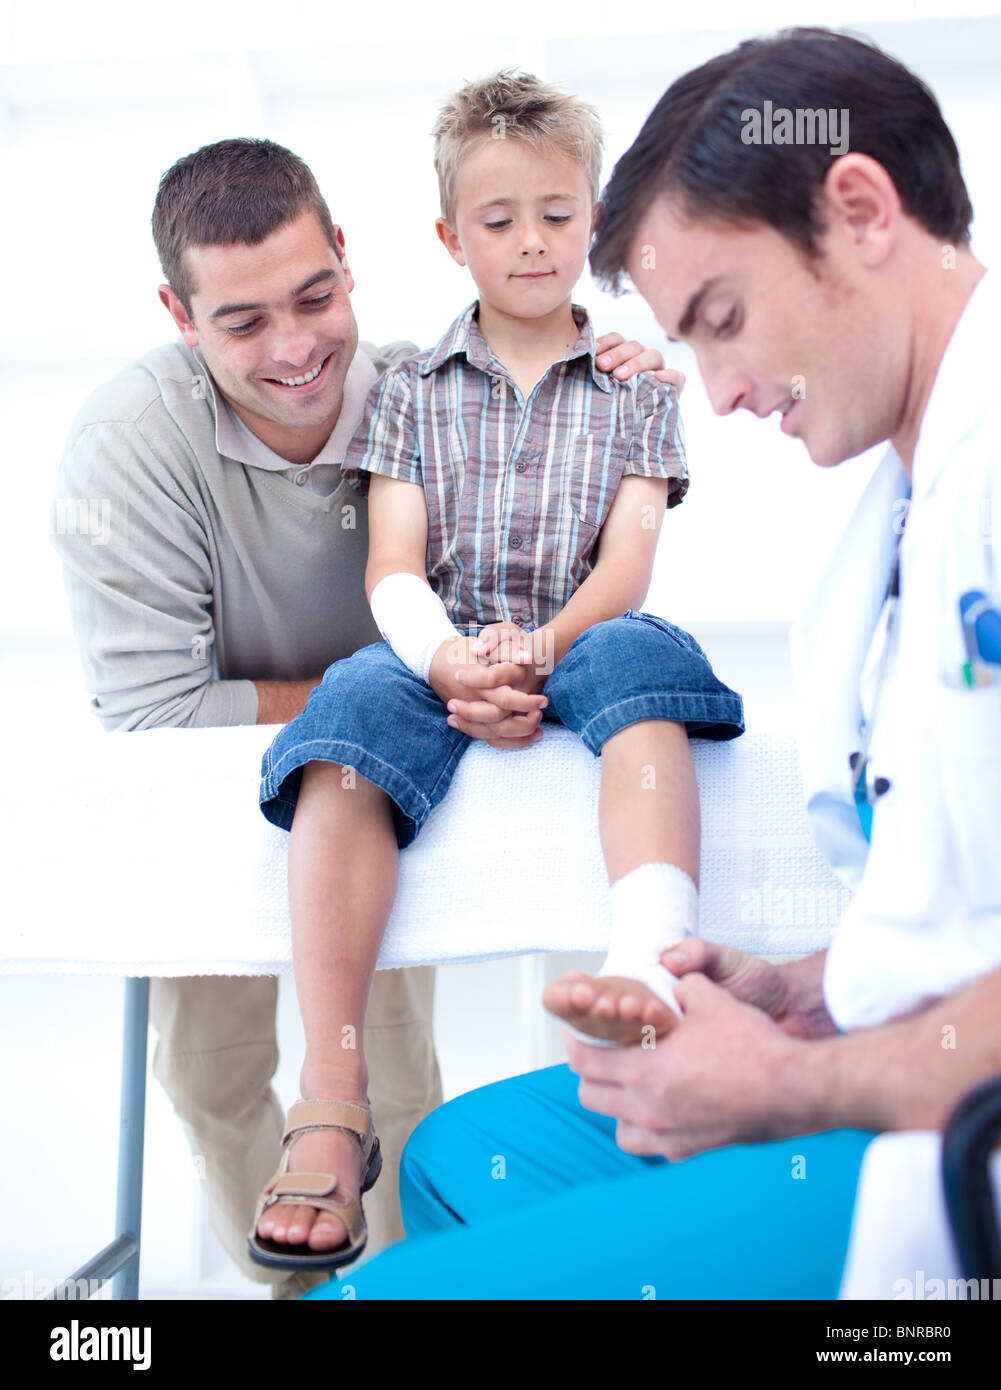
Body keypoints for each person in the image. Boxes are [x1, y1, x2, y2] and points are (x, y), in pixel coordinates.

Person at [301, 26, 1001, 1300]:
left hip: (951, 1153)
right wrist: (806, 992)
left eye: (722, 318)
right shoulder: (887, 513)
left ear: (855, 211)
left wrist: (792, 1082)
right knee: (458, 1158)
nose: (717, 392)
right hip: (891, 1054)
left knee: (372, 1297)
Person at [49, 136, 674, 1298]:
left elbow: (541, 533)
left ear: (346, 257)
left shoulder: (424, 397)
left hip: (371, 794)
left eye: (314, 295)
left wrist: (618, 368)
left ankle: (405, 1289)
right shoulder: (127, 445)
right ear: (178, 316)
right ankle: (308, 1290)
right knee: (212, 1075)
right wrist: (400, 680)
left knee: (389, 1067)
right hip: (216, 792)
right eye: (241, 322)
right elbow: (155, 717)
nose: (293, 349)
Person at [250, 71, 743, 1271]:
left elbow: (627, 561)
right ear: (447, 236)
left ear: (595, 222)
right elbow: (393, 562)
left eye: (558, 213)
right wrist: (449, 659)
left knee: (643, 668)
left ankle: (646, 970)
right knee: (351, 709)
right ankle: (331, 1091)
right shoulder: (411, 392)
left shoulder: (634, 387)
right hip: (438, 642)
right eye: (497, 218)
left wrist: (544, 646)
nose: (531, 242)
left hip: (582, 627)